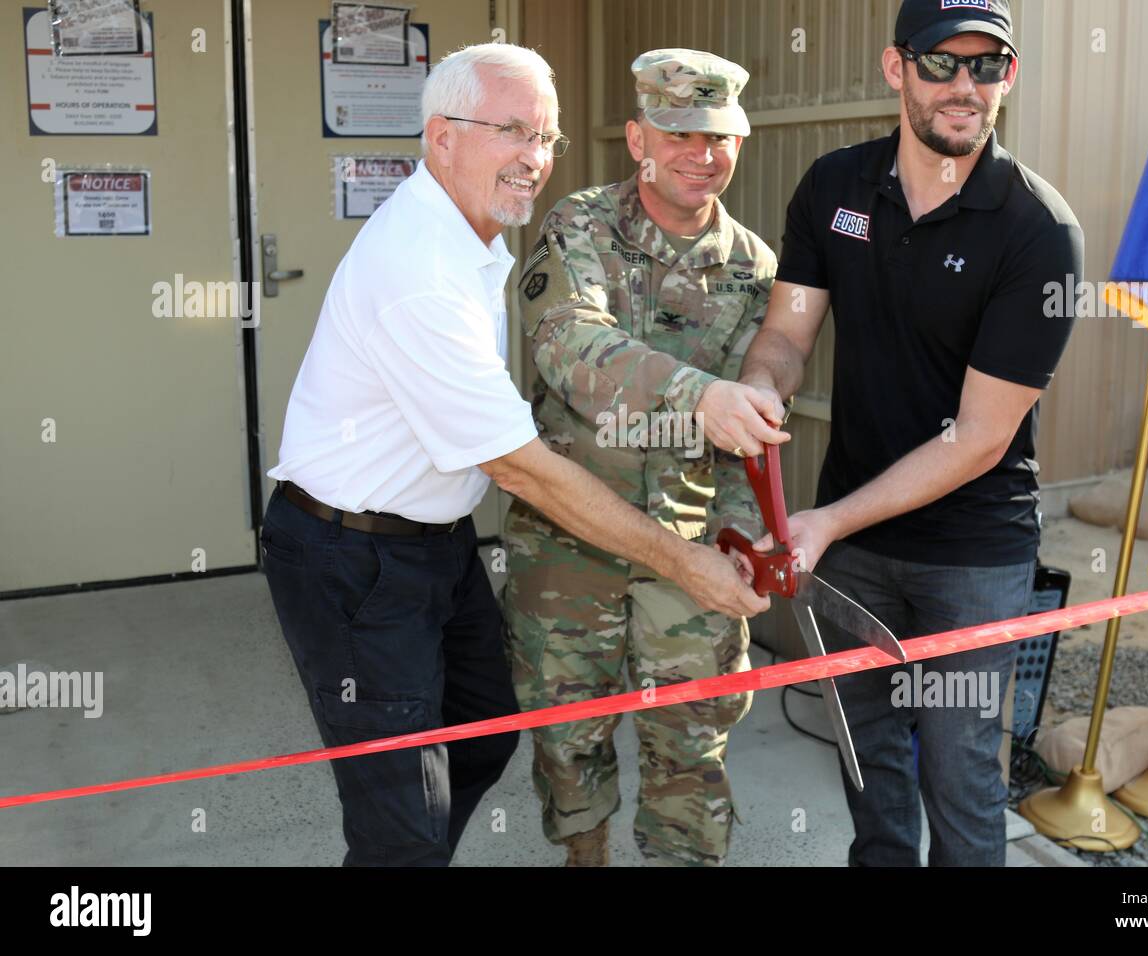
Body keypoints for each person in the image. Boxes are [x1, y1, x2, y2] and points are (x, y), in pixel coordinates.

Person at [260, 42, 767, 868]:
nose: (533, 158)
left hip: (437, 546)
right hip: (354, 557)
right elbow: (530, 447)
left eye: (546, 138)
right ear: (442, 138)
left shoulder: (476, 235)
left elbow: (761, 396)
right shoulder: (430, 264)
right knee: (404, 819)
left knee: (486, 725)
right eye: (512, 132)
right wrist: (686, 531)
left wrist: (737, 535)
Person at [740, 0, 1083, 866]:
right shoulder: (835, 187)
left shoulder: (1040, 231)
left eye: (988, 66)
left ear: (1010, 77)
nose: (965, 86)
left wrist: (826, 522)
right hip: (854, 546)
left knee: (963, 777)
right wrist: (758, 389)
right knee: (867, 758)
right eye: (941, 63)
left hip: (971, 553)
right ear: (897, 69)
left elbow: (977, 439)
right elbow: (788, 333)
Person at [504, 48, 784, 866]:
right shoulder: (579, 225)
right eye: (680, 134)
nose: (703, 155)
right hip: (569, 543)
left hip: (689, 552)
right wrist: (700, 395)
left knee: (693, 743)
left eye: (721, 138)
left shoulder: (753, 268)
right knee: (567, 732)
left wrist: (747, 538)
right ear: (638, 137)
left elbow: (748, 440)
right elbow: (569, 345)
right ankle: (584, 856)